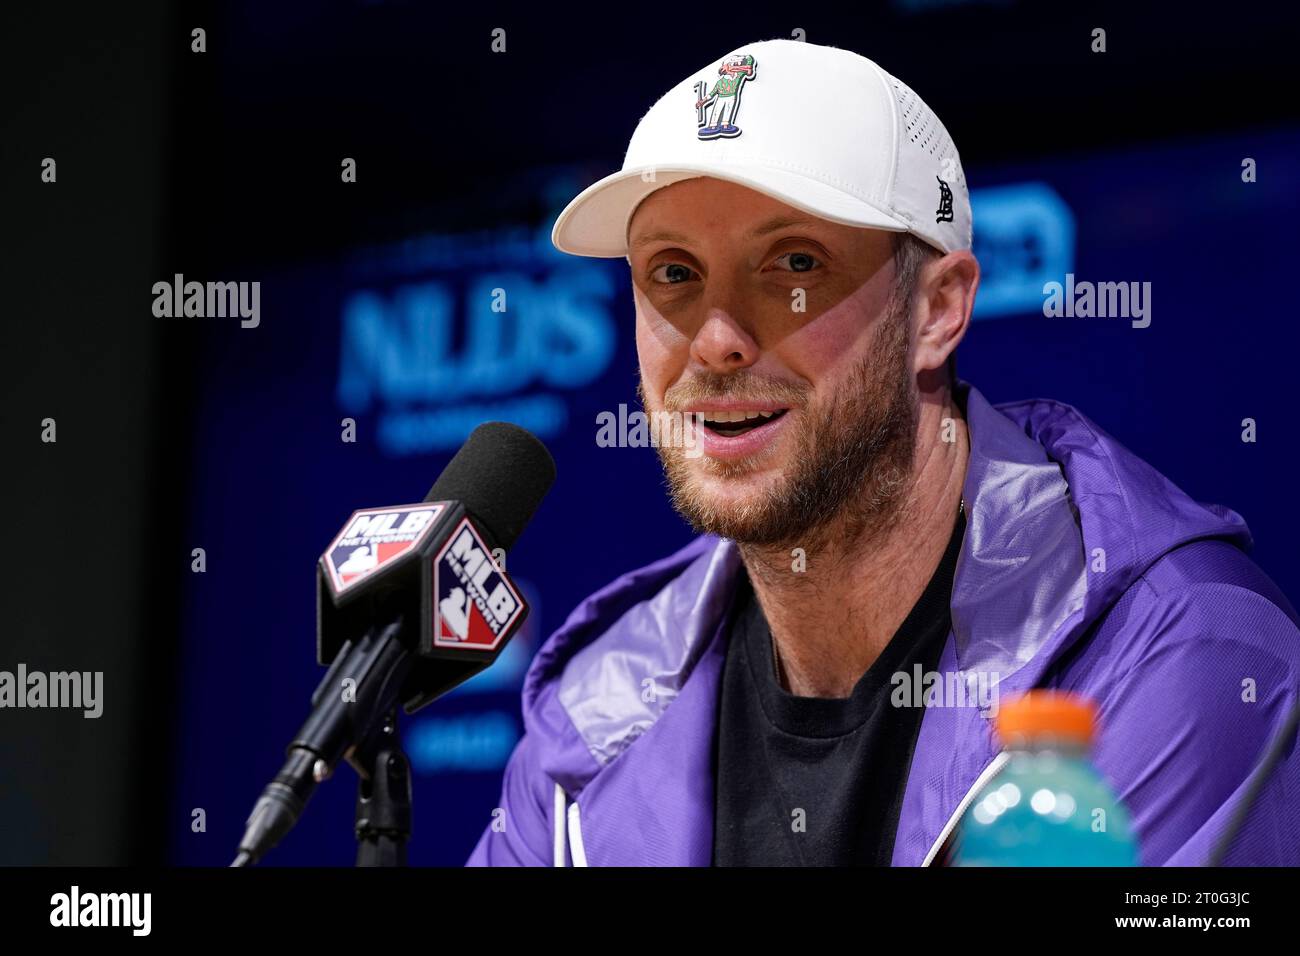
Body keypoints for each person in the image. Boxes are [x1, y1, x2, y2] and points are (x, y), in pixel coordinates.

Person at [467, 38, 1300, 866]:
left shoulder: (1184, 658)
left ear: (937, 310)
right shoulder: (595, 715)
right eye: (674, 274)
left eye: (794, 264)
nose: (717, 339)